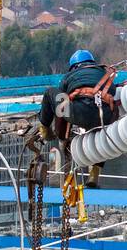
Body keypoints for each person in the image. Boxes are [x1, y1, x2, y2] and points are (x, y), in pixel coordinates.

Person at [39, 51, 121, 185]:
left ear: (74, 66)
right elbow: (112, 91)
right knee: (100, 137)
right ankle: (95, 172)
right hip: (103, 114)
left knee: (51, 93)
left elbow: (62, 96)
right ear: (93, 63)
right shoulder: (105, 74)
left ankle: (46, 130)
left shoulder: (69, 76)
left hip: (78, 112)